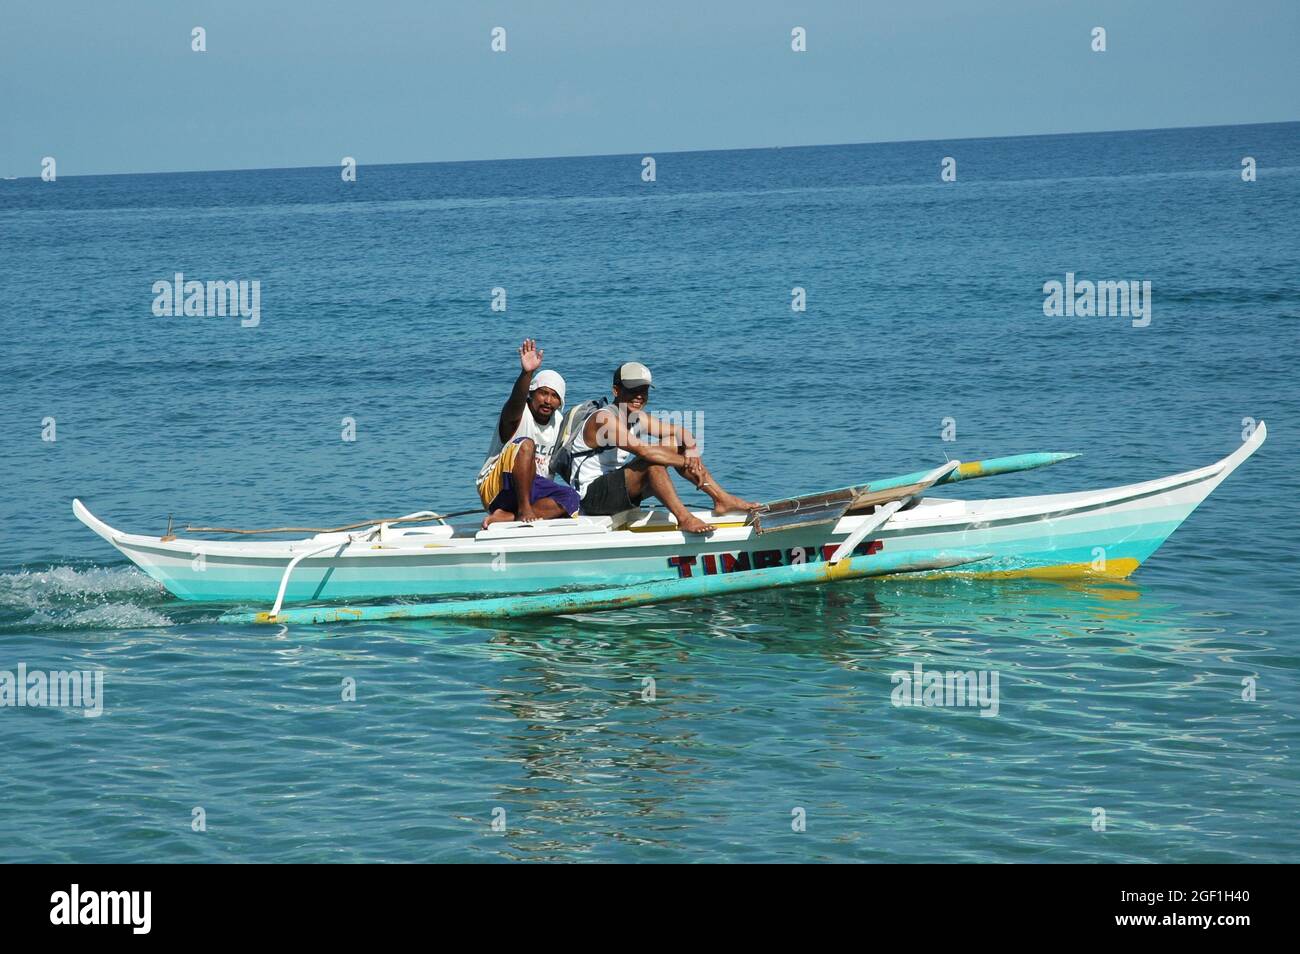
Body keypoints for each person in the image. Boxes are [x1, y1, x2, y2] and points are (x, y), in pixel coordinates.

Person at [568, 361, 758, 534]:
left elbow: (680, 432)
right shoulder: (604, 419)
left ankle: (721, 499)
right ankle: (684, 518)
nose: (640, 396)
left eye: (644, 390)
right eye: (633, 390)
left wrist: (691, 450)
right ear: (616, 391)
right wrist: (687, 463)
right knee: (653, 462)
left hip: (617, 488)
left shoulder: (637, 417)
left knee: (674, 444)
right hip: (591, 498)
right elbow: (644, 451)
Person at [476, 339, 581, 528]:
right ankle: (523, 510)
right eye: (543, 393)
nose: (548, 400)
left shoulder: (559, 423)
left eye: (554, 396)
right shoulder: (518, 413)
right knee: (526, 444)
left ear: (560, 403)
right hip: (498, 487)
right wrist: (527, 373)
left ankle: (509, 516)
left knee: (571, 498)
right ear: (531, 393)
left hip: (534, 488)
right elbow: (515, 402)